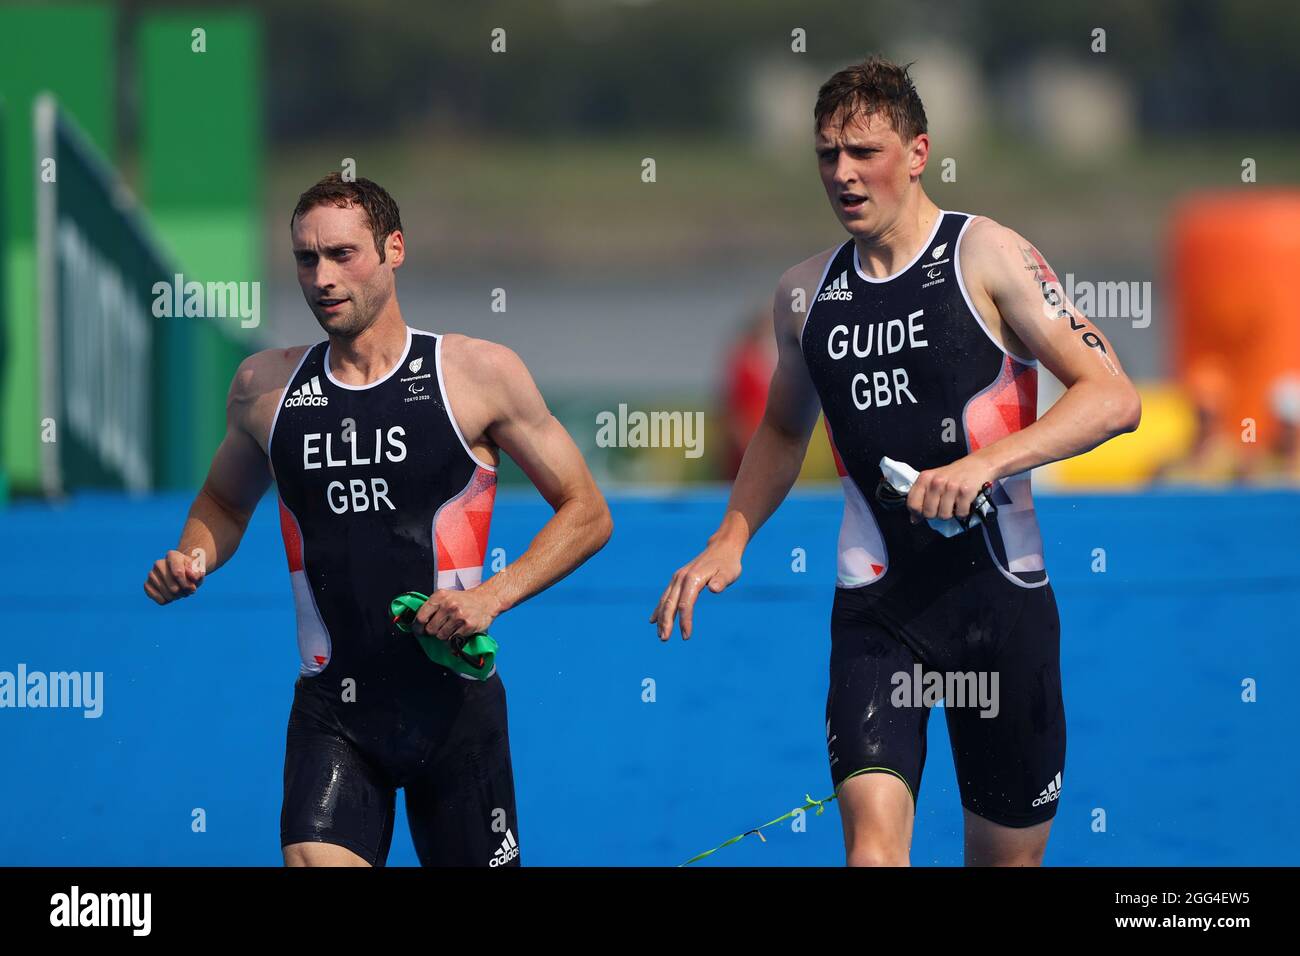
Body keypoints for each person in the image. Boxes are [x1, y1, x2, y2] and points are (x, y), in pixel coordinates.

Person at [650, 57, 1141, 866]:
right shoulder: (804, 296)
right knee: (872, 850)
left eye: (864, 152)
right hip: (879, 611)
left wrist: (987, 463)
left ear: (918, 153)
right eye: (827, 155)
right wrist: (730, 538)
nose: (843, 174)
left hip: (1000, 607)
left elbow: (1114, 397)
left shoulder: (988, 255)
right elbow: (779, 432)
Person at [144, 174, 612, 867]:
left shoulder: (476, 374)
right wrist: (194, 557)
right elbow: (222, 503)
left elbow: (588, 512)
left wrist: (490, 597)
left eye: (343, 254)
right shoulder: (263, 391)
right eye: (307, 259)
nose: (323, 277)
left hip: (454, 710)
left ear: (394, 249)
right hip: (333, 713)